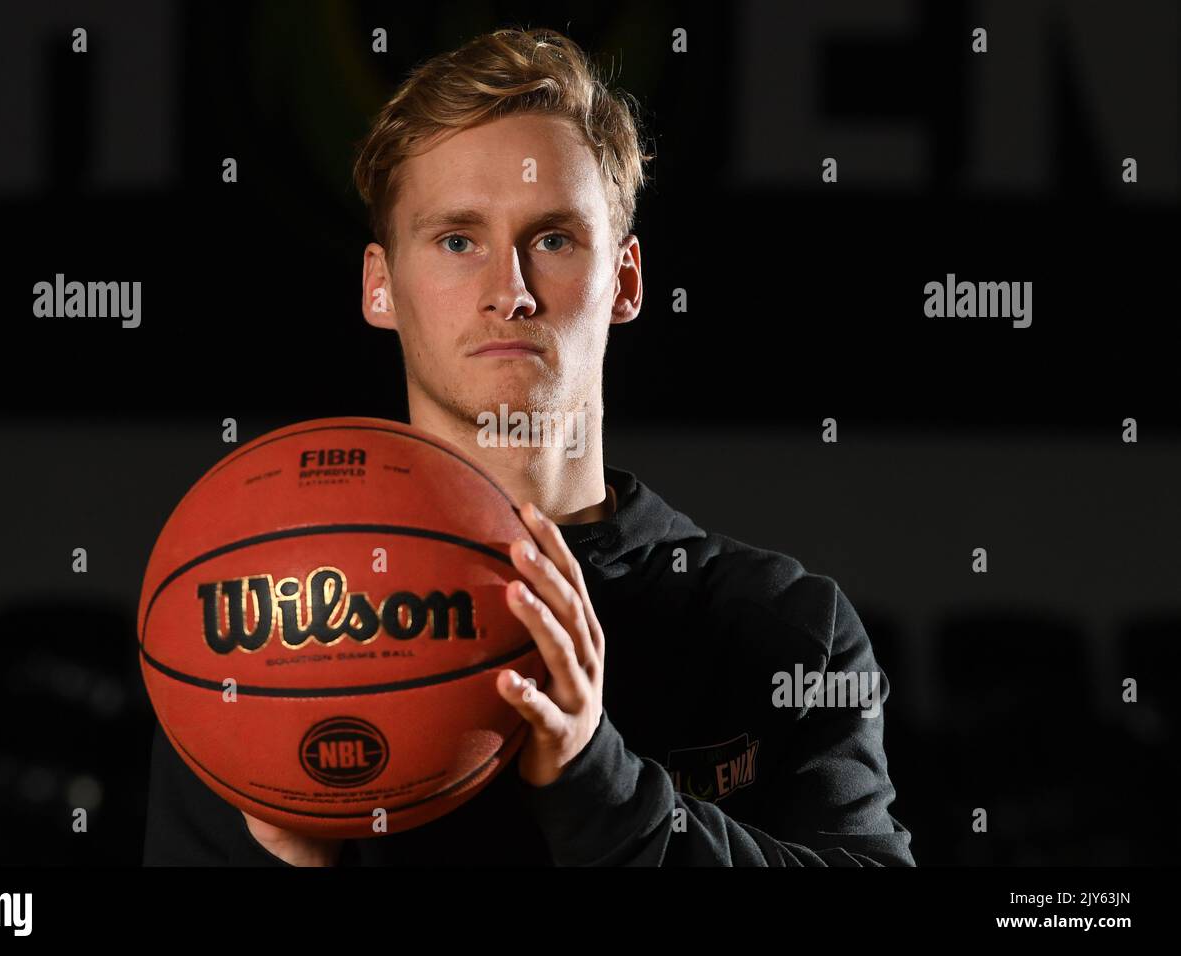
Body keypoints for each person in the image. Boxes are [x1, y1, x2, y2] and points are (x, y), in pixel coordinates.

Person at [144, 26, 914, 867]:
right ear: (378, 285)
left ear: (624, 281)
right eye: (457, 241)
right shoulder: (253, 624)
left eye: (552, 238)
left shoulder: (782, 628)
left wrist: (600, 782)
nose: (508, 291)